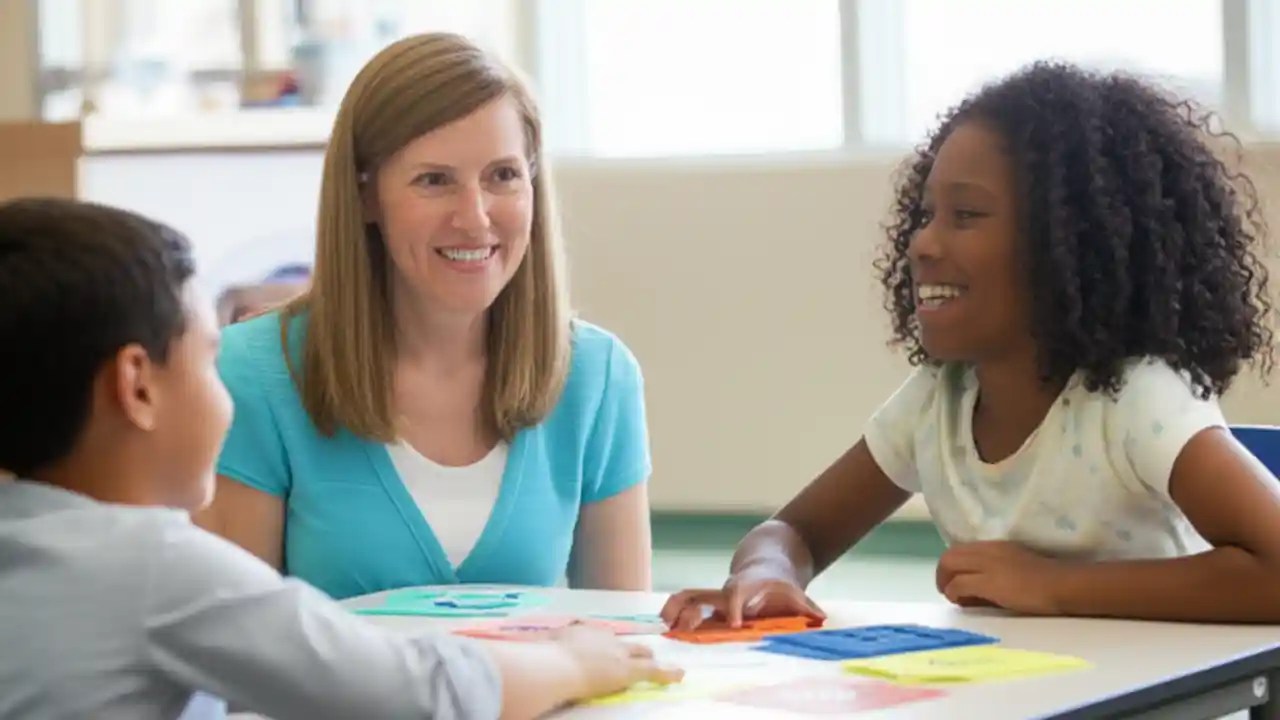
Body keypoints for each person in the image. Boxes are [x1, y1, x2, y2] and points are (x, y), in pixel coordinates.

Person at [0, 197, 681, 720]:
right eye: (209, 358)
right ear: (137, 386)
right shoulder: (153, 569)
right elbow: (420, 695)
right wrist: (573, 662)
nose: (225, 391)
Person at [662, 62, 1280, 628]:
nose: (922, 245)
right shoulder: (939, 401)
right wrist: (766, 573)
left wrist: (1057, 586)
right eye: (925, 215)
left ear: (1070, 246)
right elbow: (794, 529)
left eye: (966, 216)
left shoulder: (1135, 400)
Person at [196, 33, 653, 599]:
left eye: (503, 176)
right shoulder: (256, 373)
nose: (476, 218)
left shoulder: (597, 376)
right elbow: (235, 649)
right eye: (434, 180)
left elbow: (624, 636)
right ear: (364, 196)